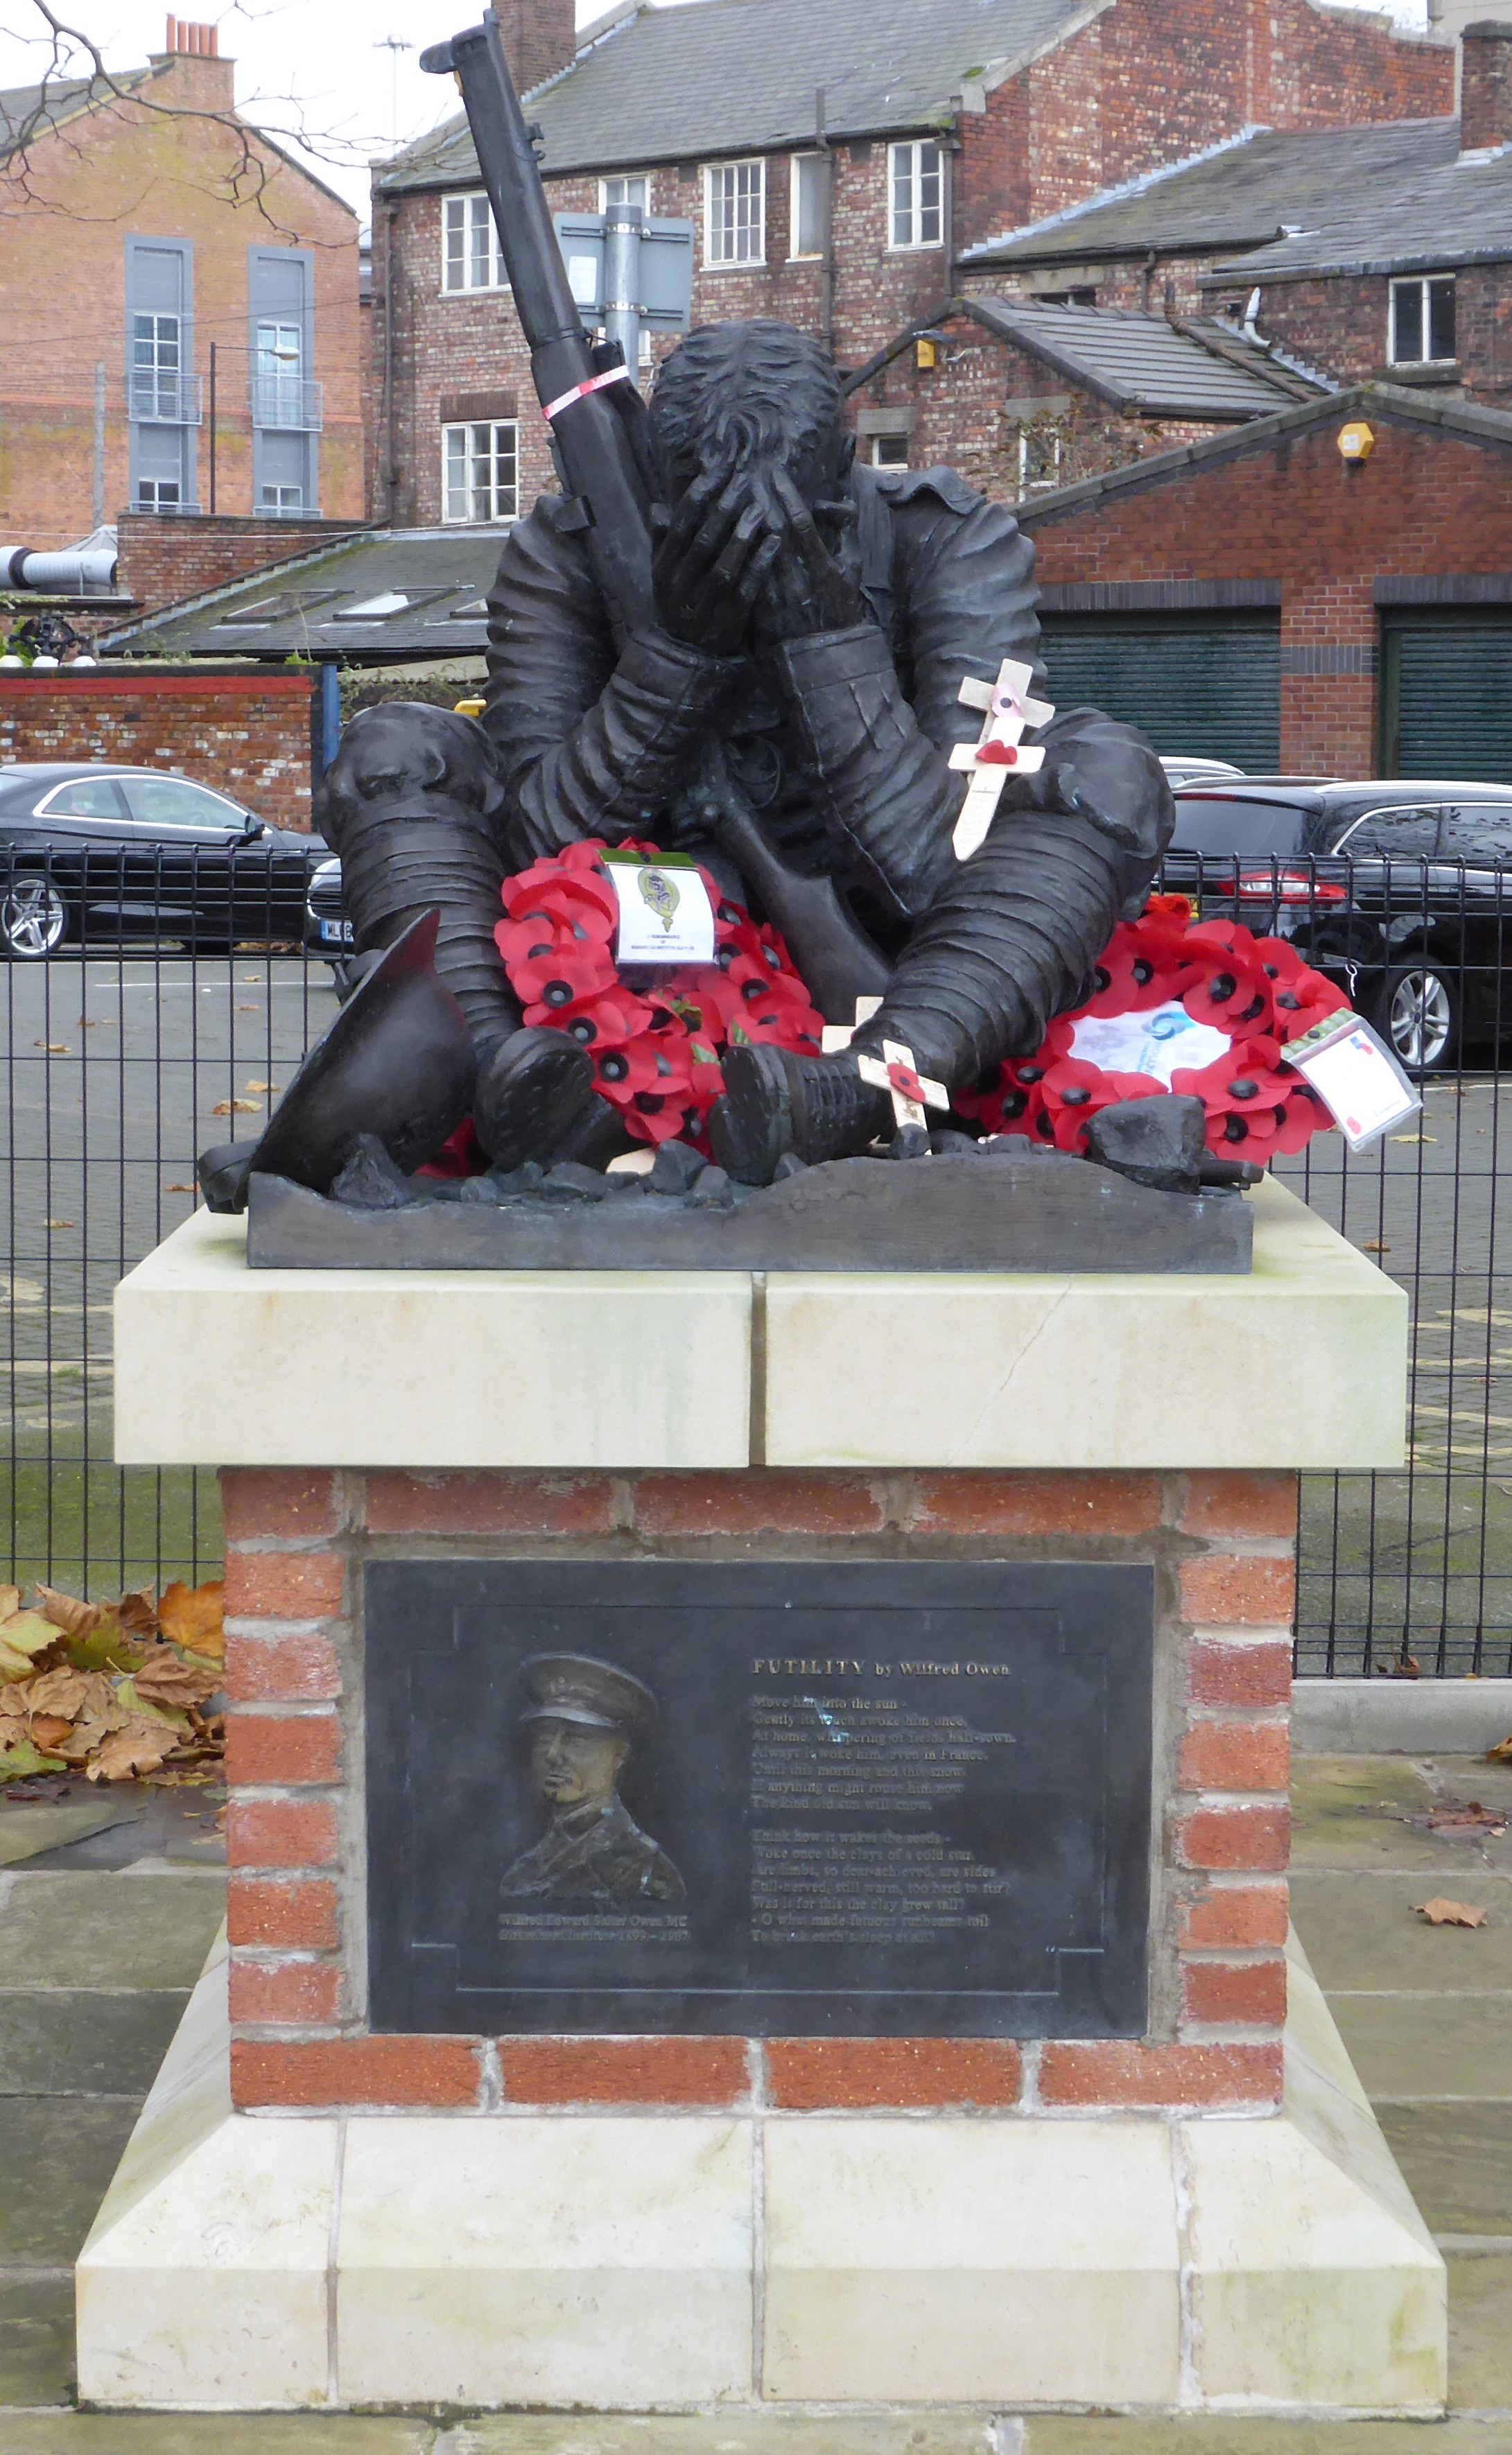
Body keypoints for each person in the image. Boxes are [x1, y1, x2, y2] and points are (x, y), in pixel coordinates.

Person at [483, 316, 1175, 1182]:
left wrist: (825, 639)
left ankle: (860, 1091)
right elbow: (531, 850)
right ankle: (484, 1071)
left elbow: (940, 872)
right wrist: (676, 655)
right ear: (663, 493)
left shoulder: (949, 538)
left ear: (842, 489)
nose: (746, 554)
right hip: (655, 920)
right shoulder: (570, 542)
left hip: (926, 951)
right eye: (705, 532)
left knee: (1107, 768)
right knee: (402, 748)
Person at [498, 1653, 686, 1912]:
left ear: (618, 1755)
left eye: (576, 1739)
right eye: (545, 1737)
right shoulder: (522, 1873)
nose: (553, 1754)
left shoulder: (648, 1873)